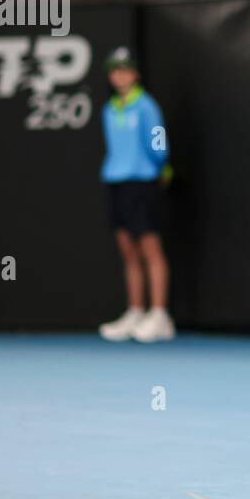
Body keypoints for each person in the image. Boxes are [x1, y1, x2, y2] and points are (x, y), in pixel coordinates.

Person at [98, 47, 176, 344]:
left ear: (135, 74)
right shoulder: (109, 109)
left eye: (125, 69)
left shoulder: (147, 106)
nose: (119, 75)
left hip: (143, 182)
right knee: (128, 250)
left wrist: (159, 166)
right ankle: (136, 310)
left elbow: (159, 141)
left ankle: (159, 315)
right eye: (114, 70)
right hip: (116, 182)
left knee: (150, 248)